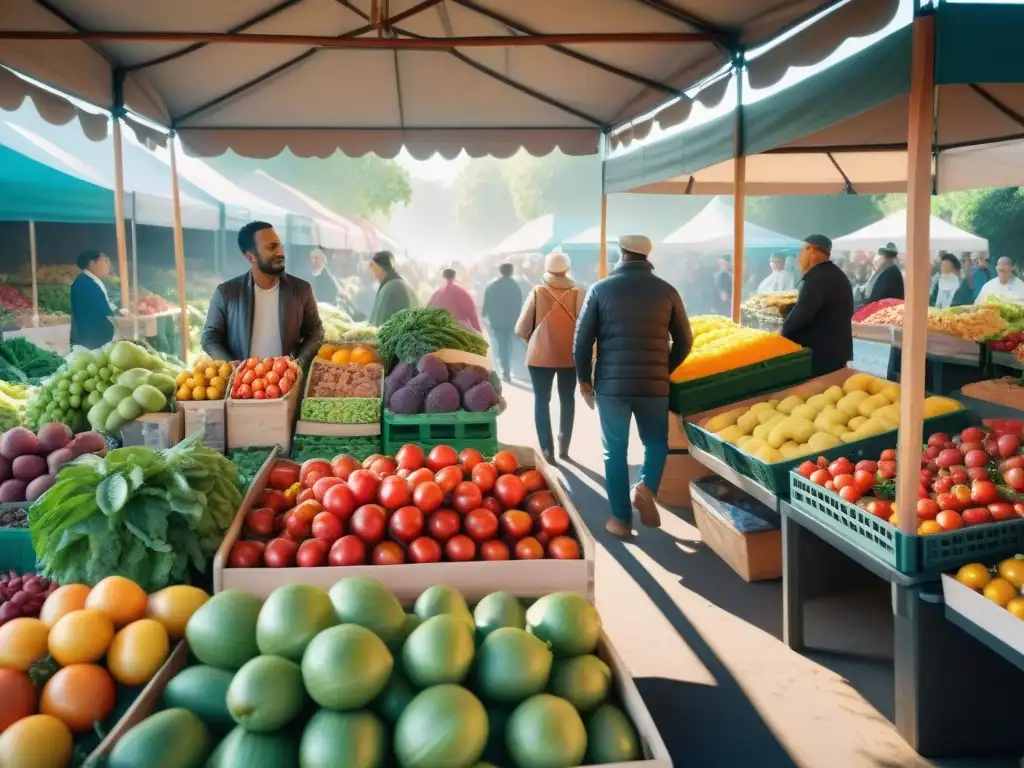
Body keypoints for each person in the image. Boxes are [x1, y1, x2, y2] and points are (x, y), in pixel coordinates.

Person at [573, 235, 692, 538]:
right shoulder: (667, 291)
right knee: (656, 442)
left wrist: (585, 380)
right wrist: (663, 369)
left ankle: (621, 520)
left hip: (612, 387)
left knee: (614, 451)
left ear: (622, 253)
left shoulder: (600, 290)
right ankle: (645, 486)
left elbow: (581, 341)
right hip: (654, 387)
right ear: (647, 257)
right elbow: (685, 340)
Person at [202, 221, 324, 369]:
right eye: (272, 247)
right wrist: (230, 366)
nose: (280, 252)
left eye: (280, 246)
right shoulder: (226, 293)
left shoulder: (301, 290)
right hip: (243, 381)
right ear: (251, 257)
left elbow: (315, 331)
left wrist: (300, 362)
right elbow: (210, 337)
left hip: (288, 378)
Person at [515, 251, 585, 464]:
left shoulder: (538, 292)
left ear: (546, 268)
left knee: (541, 399)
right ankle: (564, 447)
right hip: (570, 356)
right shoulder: (579, 292)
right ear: (567, 268)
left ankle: (547, 448)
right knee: (567, 399)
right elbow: (585, 327)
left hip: (540, 357)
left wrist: (534, 342)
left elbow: (521, 328)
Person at [781, 235, 854, 377]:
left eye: (803, 250)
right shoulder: (836, 274)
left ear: (812, 251)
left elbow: (802, 314)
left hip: (820, 354)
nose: (800, 256)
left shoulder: (816, 278)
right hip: (836, 350)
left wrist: (782, 333)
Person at [482, 263, 524, 383]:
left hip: (497, 322)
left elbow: (486, 305)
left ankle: (505, 370)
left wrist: (485, 315)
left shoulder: (492, 285)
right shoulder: (515, 286)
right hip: (512, 321)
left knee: (502, 345)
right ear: (511, 272)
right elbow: (519, 304)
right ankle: (508, 368)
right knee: (510, 344)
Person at [70, 250, 118, 349]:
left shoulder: (90, 280)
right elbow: (99, 310)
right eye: (104, 260)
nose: (108, 265)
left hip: (93, 339)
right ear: (92, 264)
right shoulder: (84, 283)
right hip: (91, 340)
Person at [368, 251, 418, 326]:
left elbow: (382, 325)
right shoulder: (396, 284)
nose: (372, 272)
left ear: (380, 268)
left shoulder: (392, 287)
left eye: (373, 266)